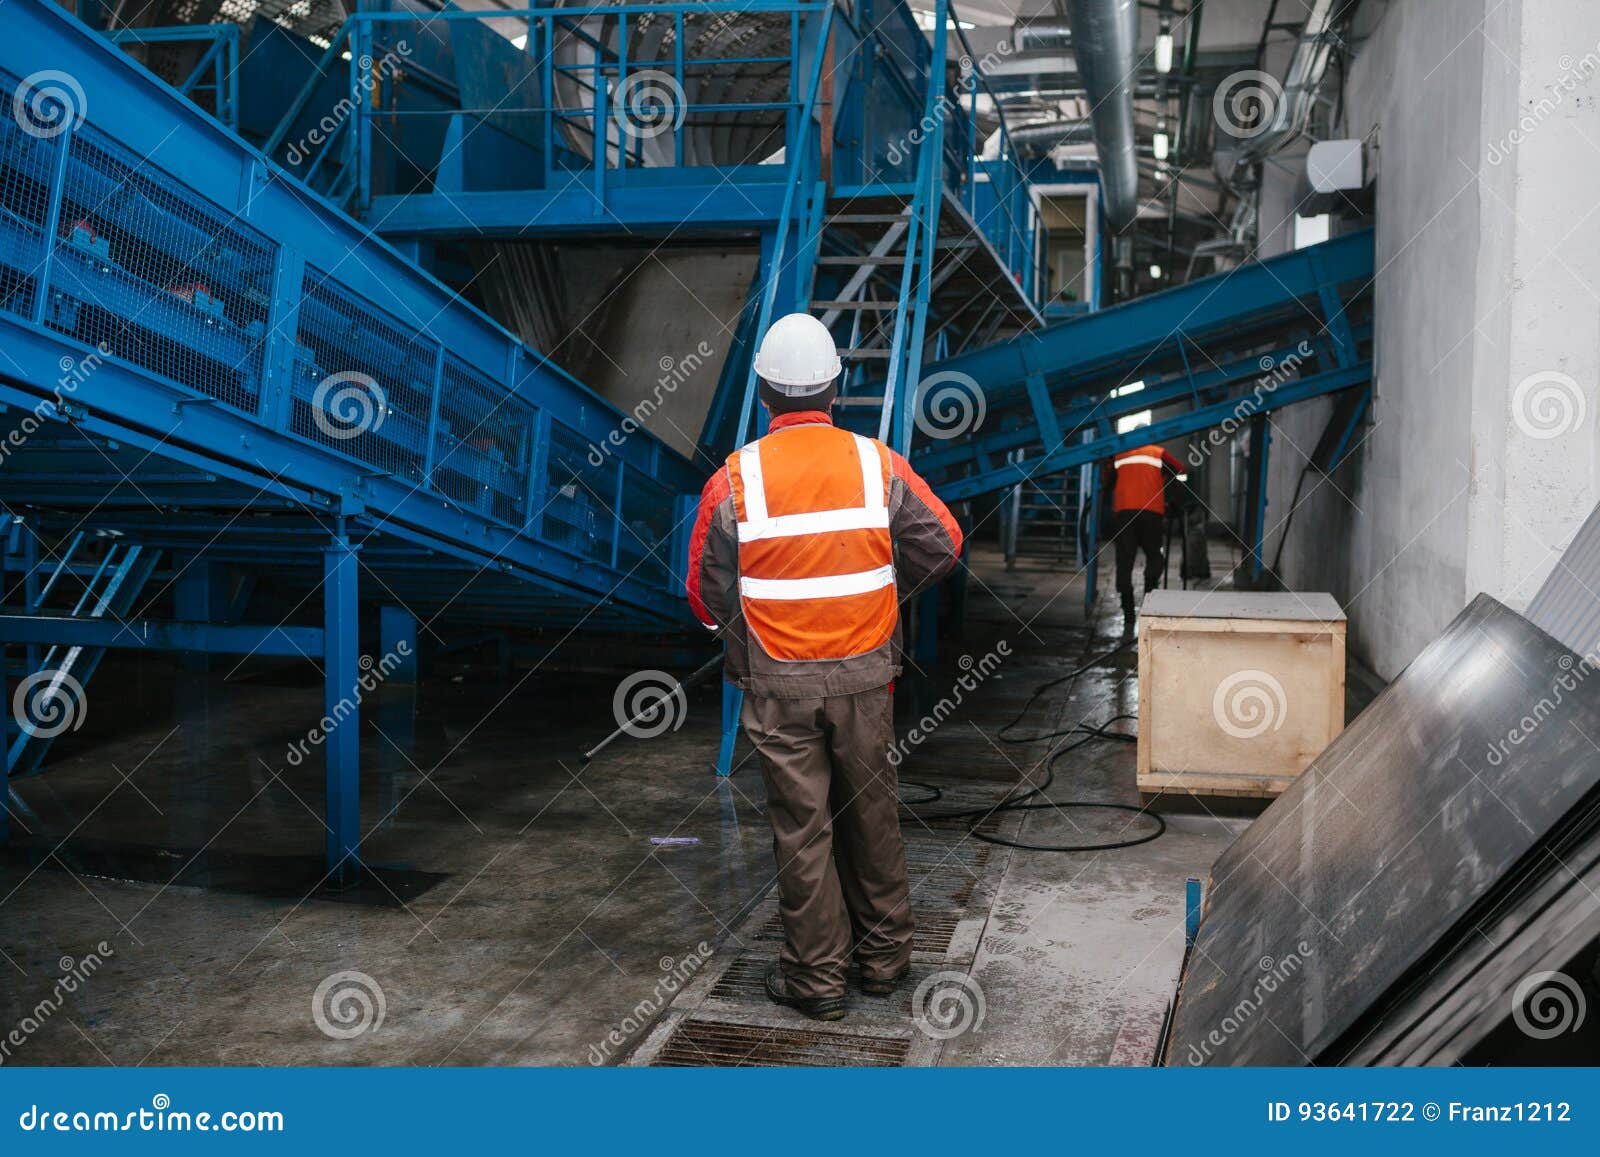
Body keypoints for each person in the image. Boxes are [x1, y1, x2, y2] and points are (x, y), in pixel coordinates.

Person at [686, 313, 963, 1021]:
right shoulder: (878, 464)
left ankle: (816, 979)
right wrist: (883, 593)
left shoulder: (735, 478)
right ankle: (885, 960)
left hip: (778, 681)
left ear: (764, 394)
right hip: (866, 674)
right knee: (871, 811)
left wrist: (740, 627)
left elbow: (704, 592)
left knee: (803, 826)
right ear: (836, 387)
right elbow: (944, 542)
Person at [1106, 441, 1184, 631]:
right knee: (1154, 556)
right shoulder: (1158, 452)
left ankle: (1129, 616)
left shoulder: (1119, 454)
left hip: (1124, 513)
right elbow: (1181, 471)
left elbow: (1107, 481)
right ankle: (1149, 601)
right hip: (1152, 513)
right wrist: (1168, 487)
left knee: (1124, 562)